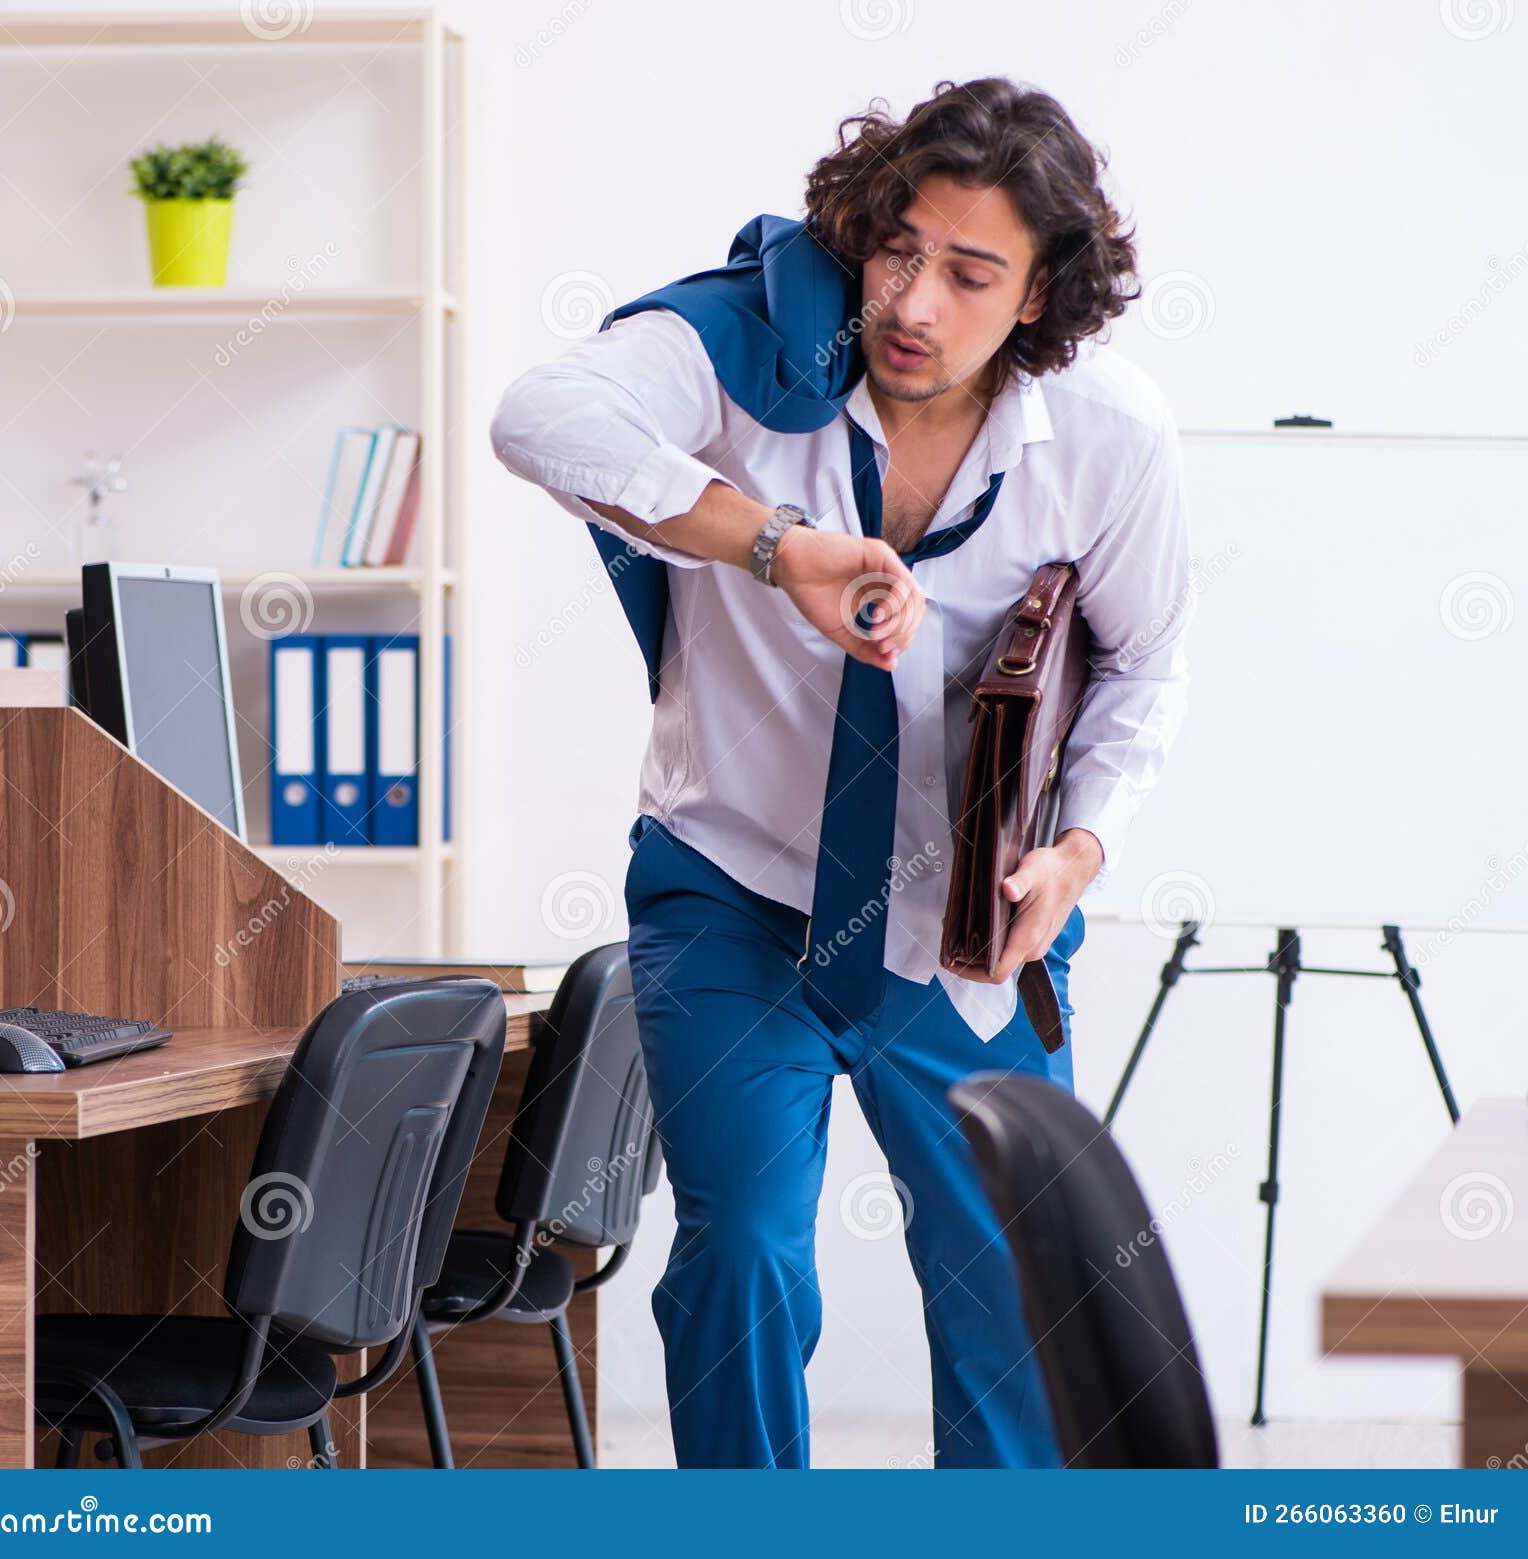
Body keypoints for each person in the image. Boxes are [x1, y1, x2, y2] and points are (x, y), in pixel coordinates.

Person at [492, 77, 1192, 1469]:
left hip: (971, 917)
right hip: (735, 891)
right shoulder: (746, 351)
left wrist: (1080, 853)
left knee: (1006, 1287)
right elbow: (539, 418)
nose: (915, 304)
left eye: (972, 273)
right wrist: (774, 543)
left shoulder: (1108, 435)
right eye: (897, 252)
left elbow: (1146, 668)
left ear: (1044, 293)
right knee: (744, 1253)